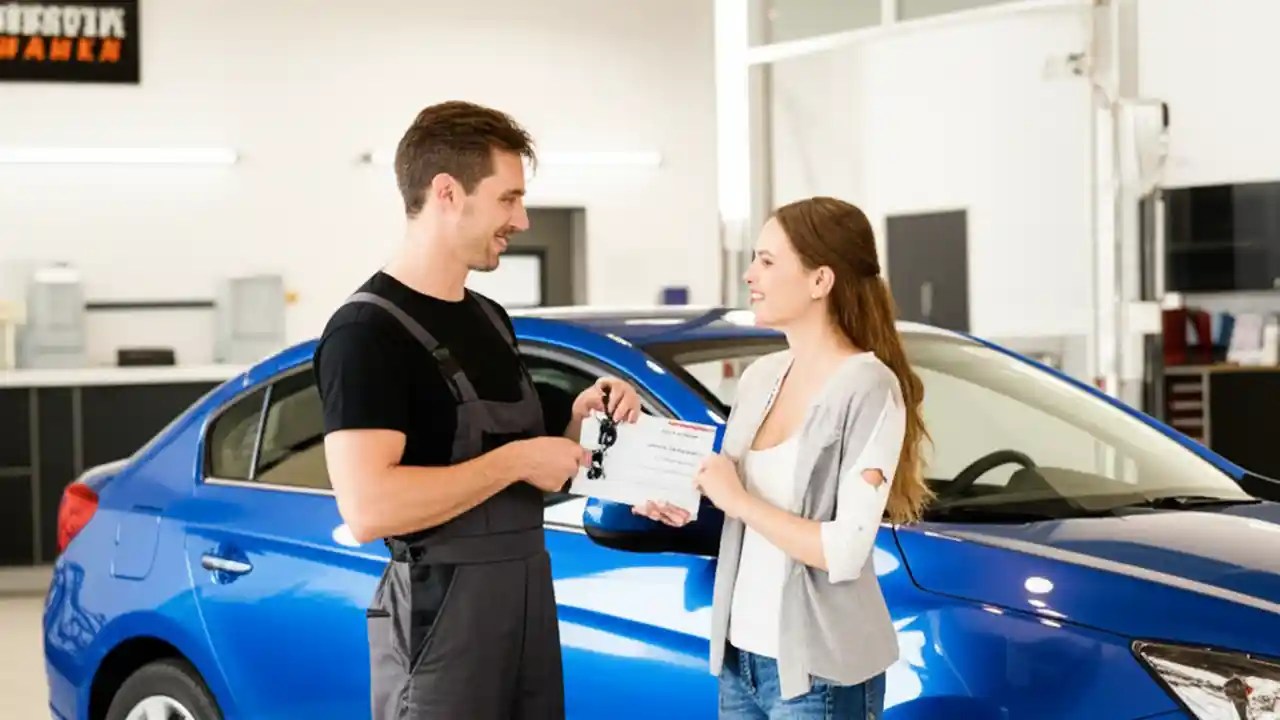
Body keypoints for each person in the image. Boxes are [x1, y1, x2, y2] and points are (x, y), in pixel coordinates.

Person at [314, 100, 641, 720]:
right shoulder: (366, 333)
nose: (521, 218)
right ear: (446, 193)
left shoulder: (490, 320)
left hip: (525, 608)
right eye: (507, 199)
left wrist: (583, 416)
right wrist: (517, 460)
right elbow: (368, 509)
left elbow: (537, 452)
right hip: (439, 621)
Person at [636, 196, 932, 719]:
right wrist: (682, 505)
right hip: (741, 657)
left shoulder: (868, 386)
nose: (751, 274)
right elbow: (728, 495)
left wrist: (737, 500)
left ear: (821, 280)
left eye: (768, 261)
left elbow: (843, 552)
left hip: (818, 669)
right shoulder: (761, 378)